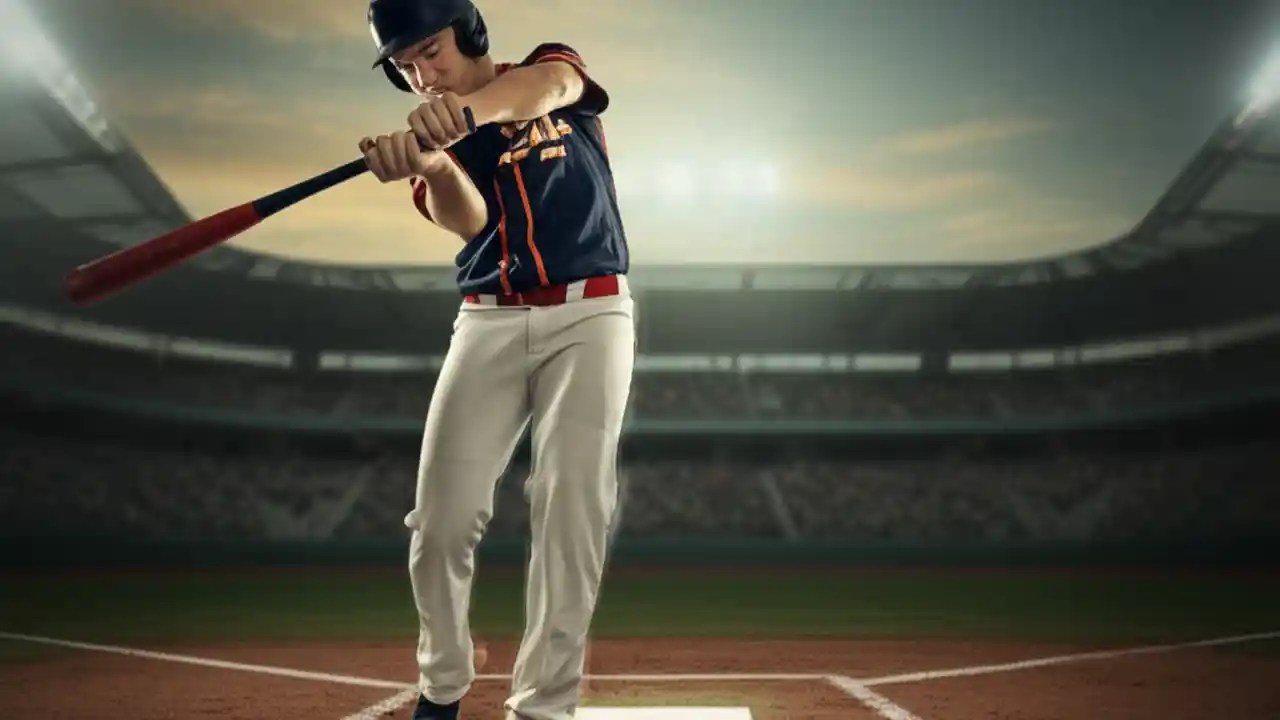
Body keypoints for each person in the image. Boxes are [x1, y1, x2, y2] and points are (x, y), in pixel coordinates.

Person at [358, 1, 635, 718]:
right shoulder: (437, 133)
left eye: (432, 50)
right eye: (407, 65)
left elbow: (545, 91)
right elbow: (469, 220)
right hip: (489, 320)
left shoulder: (547, 66)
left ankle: (543, 705)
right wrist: (427, 161)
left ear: (470, 32)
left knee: (572, 503)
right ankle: (444, 683)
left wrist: (468, 114)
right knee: (440, 523)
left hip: (591, 311)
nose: (423, 74)